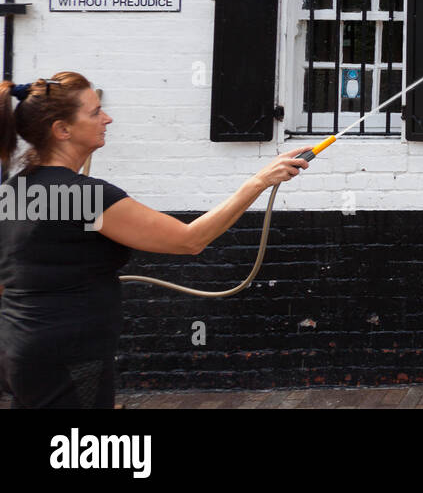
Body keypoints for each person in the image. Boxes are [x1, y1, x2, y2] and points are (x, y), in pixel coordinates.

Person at [0, 72, 308, 409]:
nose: (107, 118)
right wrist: (260, 180)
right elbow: (190, 240)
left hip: (19, 346)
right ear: (62, 130)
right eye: (94, 113)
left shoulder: (14, 192)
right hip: (69, 354)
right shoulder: (84, 196)